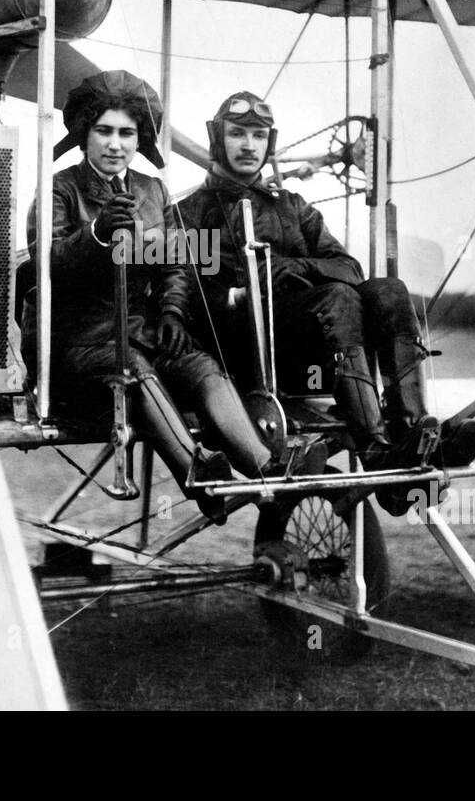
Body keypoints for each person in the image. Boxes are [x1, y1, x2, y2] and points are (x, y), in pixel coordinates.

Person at [175, 90, 475, 515]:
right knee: (337, 297)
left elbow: (348, 268)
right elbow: (190, 297)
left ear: (270, 142)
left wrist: (291, 268)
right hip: (240, 355)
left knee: (389, 291)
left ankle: (414, 435)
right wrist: (249, 289)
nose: (248, 145)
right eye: (237, 133)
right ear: (217, 138)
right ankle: (375, 452)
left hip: (312, 347)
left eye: (258, 135)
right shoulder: (192, 213)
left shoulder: (293, 207)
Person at [22, 72, 281, 525]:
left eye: (127, 133)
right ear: (84, 133)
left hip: (140, 331)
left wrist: (173, 312)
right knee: (134, 373)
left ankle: (269, 468)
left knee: (198, 363)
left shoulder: (151, 190)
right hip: (77, 341)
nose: (115, 144)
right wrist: (98, 235)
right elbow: (48, 264)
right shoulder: (59, 189)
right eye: (104, 131)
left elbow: (177, 261)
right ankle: (198, 474)